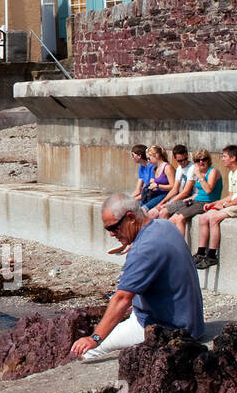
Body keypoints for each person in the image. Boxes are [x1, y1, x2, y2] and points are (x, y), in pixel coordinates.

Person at [71, 193, 205, 360]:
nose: (112, 234)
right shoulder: (165, 226)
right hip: (192, 322)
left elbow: (122, 298)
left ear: (131, 218)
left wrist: (95, 338)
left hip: (169, 328)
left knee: (88, 352)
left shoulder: (144, 249)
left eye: (113, 228)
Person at [194, 145, 237, 270]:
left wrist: (224, 206)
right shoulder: (231, 173)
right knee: (203, 218)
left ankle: (212, 254)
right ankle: (201, 252)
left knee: (214, 218)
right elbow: (231, 195)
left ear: (233, 158)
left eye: (224, 156)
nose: (222, 159)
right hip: (236, 204)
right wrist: (216, 203)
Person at [168, 148, 222, 237]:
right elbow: (197, 193)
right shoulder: (198, 172)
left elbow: (208, 190)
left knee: (180, 219)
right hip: (196, 201)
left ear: (208, 160)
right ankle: (168, 243)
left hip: (206, 202)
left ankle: (180, 247)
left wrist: (200, 176)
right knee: (172, 219)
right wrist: (190, 198)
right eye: (198, 160)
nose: (201, 162)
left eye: (203, 159)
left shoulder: (212, 171)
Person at [150, 144, 195, 218]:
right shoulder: (179, 169)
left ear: (187, 155)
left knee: (163, 212)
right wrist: (163, 202)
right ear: (175, 158)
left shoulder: (192, 168)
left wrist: (169, 203)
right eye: (180, 160)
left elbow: (186, 192)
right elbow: (175, 189)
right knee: (153, 212)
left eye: (185, 159)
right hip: (182, 198)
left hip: (190, 198)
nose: (183, 162)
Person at [140, 145, 174, 209]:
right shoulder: (155, 168)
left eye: (149, 158)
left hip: (165, 195)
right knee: (138, 206)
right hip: (156, 194)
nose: (148, 161)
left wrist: (157, 186)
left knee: (144, 209)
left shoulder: (167, 167)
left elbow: (173, 186)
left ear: (156, 155)